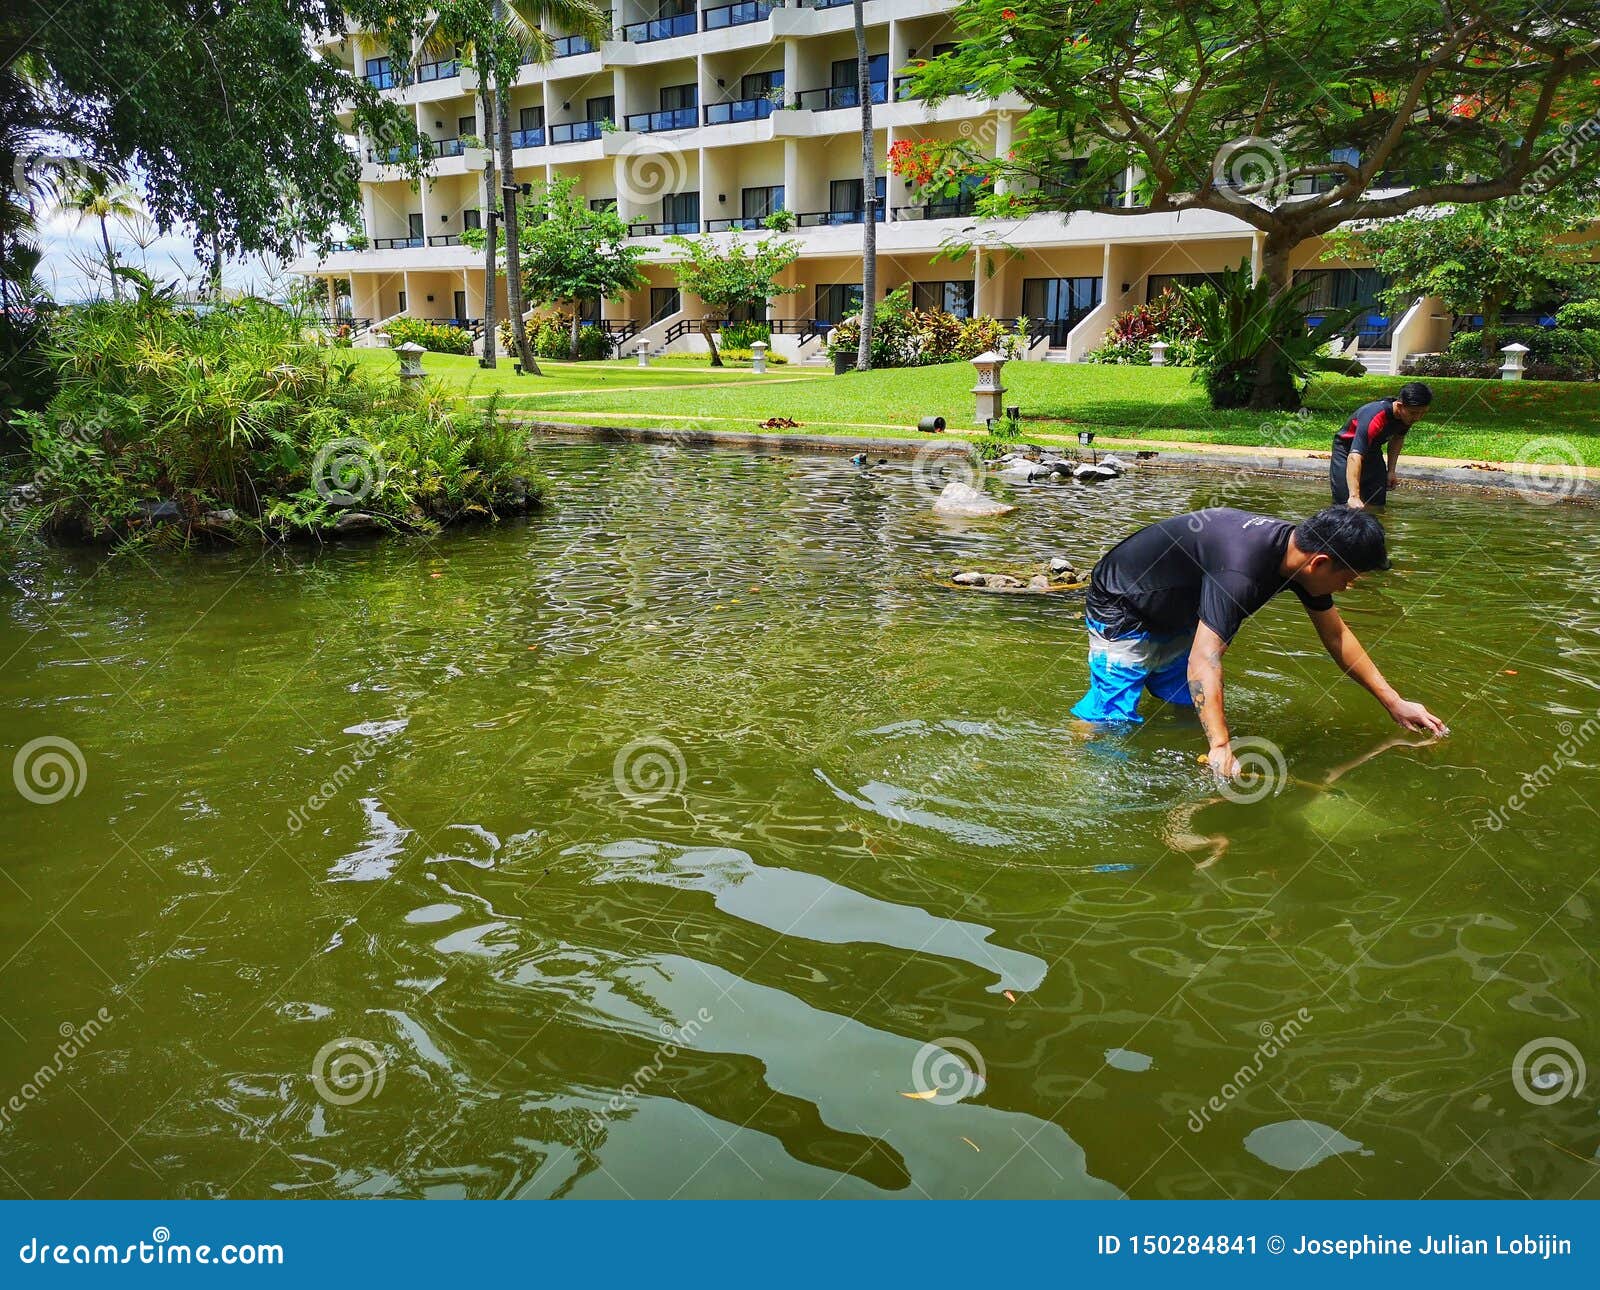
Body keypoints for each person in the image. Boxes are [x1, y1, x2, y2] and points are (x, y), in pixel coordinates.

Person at [1069, 506, 1448, 777]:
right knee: (1113, 719)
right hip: (1124, 602)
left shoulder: (1297, 558)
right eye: (1347, 578)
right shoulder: (1242, 569)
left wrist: (1394, 702)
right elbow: (1204, 660)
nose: (1346, 588)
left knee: (1186, 706)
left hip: (1182, 608)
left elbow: (1336, 634)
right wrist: (1220, 747)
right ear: (1319, 563)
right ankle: (1071, 768)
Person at [1331, 381, 1432, 508]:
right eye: (1414, 413)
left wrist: (1391, 471)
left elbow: (1397, 438)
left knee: (1376, 503)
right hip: (1346, 452)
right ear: (1400, 406)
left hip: (1372, 450)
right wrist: (1354, 496)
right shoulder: (1375, 415)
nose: (1417, 418)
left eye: (1422, 413)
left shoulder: (1406, 416)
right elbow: (1354, 456)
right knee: (1345, 505)